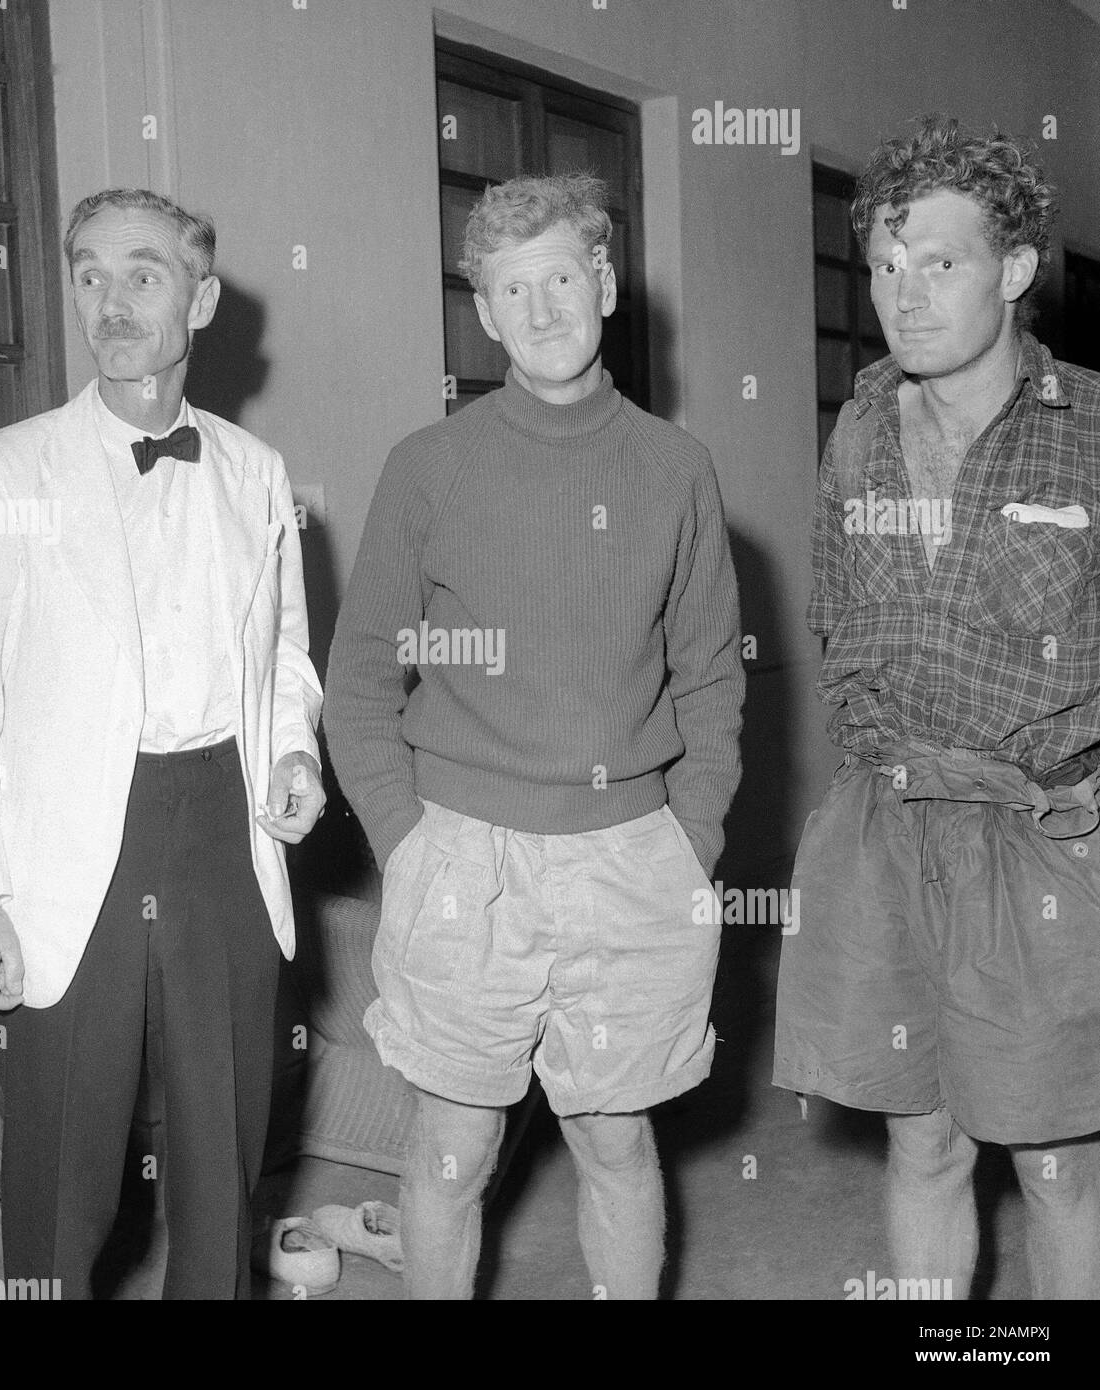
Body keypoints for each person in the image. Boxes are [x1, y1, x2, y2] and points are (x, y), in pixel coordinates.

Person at [326, 173, 744, 1299]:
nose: (544, 307)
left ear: (603, 284)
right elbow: (359, 675)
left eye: (562, 275)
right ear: (487, 311)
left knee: (615, 1142)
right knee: (451, 1149)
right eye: (514, 288)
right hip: (462, 857)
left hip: (632, 858)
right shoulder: (430, 463)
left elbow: (710, 674)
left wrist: (687, 840)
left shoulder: (675, 469)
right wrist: (408, 840)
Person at [0, 188, 325, 1299]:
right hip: (69, 852)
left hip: (225, 841)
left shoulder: (255, 472)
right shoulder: (2, 476)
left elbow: (284, 659)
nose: (110, 300)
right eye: (89, 274)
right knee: (64, 1175)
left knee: (221, 1167)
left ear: (199, 299)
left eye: (142, 274)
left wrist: (294, 756)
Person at [775, 117, 1100, 1299]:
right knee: (921, 1139)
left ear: (1014, 271)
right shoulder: (857, 423)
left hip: (1044, 839)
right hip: (886, 822)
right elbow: (833, 622)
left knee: (1058, 1163)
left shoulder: (1092, 433)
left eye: (939, 263)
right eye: (881, 265)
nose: (899, 297)